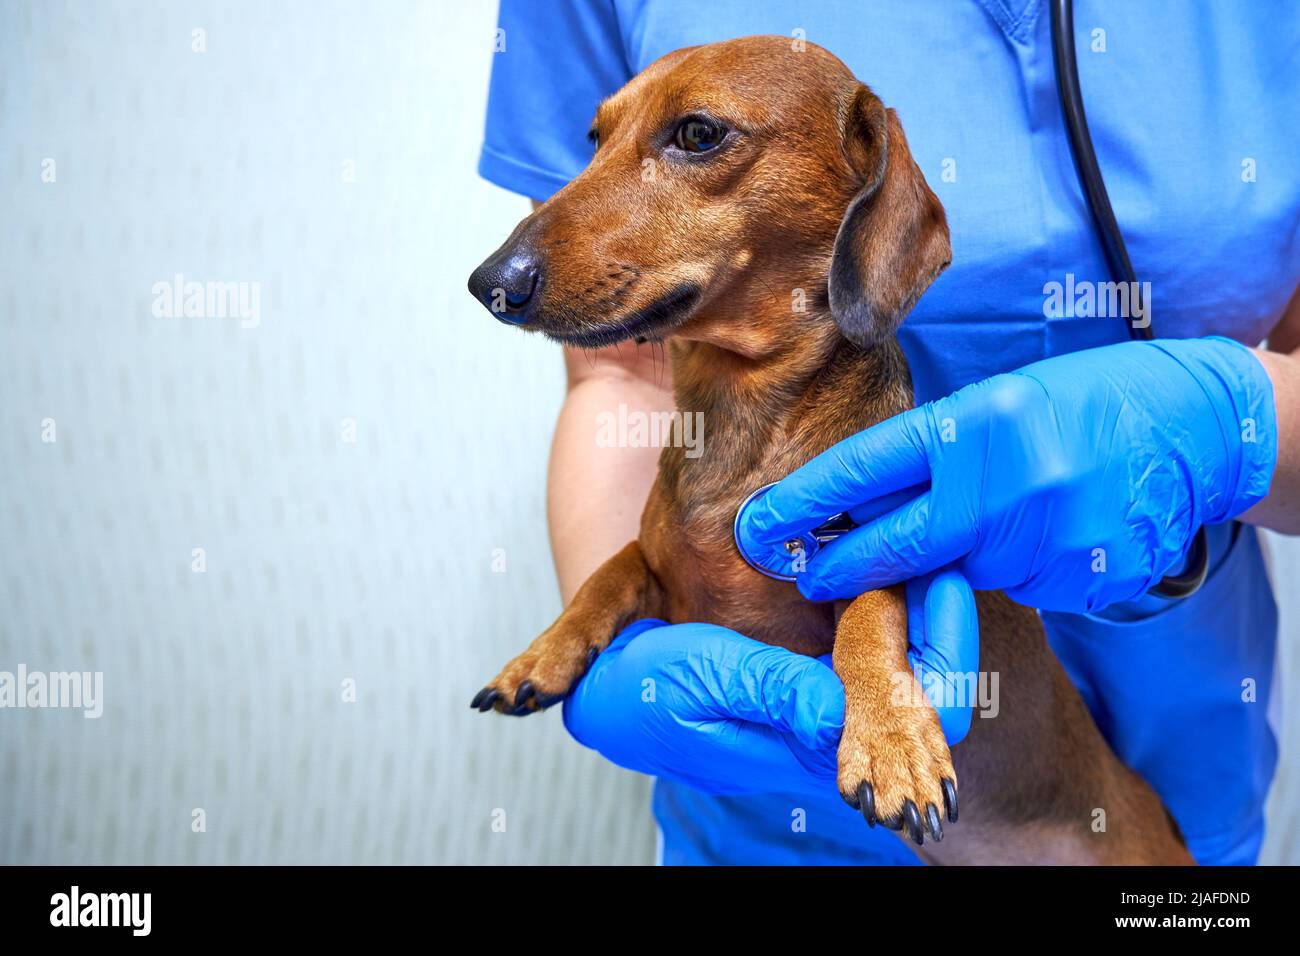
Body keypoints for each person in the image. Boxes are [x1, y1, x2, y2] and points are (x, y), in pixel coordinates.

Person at [478, 0, 1300, 865]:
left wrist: (1228, 425)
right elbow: (619, 368)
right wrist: (620, 637)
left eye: (695, 136)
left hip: (1141, 808)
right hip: (768, 837)